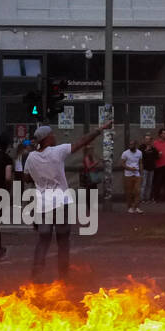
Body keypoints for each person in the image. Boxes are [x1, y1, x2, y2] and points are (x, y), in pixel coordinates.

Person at [24, 119, 112, 283]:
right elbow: (82, 142)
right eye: (52, 134)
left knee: (43, 239)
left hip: (43, 205)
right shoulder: (58, 151)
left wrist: (40, 177)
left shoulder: (31, 157)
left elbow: (26, 177)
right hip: (61, 203)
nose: (54, 136)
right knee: (63, 240)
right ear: (47, 138)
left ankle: (36, 274)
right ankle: (63, 277)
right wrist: (99, 129)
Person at [120, 140, 144, 214]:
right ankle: (130, 207)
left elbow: (140, 163)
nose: (130, 146)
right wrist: (130, 169)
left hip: (137, 174)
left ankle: (136, 207)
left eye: (132, 145)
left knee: (138, 191)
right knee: (129, 192)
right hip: (128, 175)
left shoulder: (139, 153)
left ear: (135, 145)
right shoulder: (125, 153)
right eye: (130, 145)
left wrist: (141, 173)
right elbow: (122, 164)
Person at [140, 135, 157, 203]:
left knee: (149, 184)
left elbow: (156, 156)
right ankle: (142, 198)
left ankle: (147, 198)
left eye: (149, 139)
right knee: (143, 184)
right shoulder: (141, 147)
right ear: (144, 140)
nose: (148, 140)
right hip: (144, 168)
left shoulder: (153, 148)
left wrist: (153, 148)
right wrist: (145, 150)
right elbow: (139, 156)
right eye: (146, 139)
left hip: (151, 168)